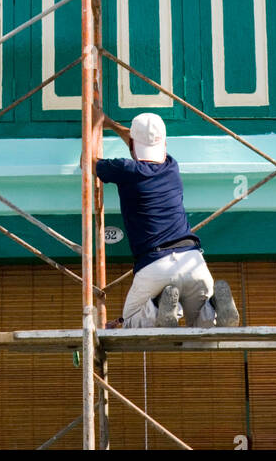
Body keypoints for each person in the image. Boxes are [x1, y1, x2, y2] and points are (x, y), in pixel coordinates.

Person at [94, 107, 240, 329]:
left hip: (155, 264)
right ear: (164, 145)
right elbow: (140, 145)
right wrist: (113, 125)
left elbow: (87, 162)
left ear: (132, 145)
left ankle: (158, 306)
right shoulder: (171, 166)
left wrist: (98, 124)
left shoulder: (125, 169)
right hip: (193, 261)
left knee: (132, 319)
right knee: (203, 324)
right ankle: (215, 309)